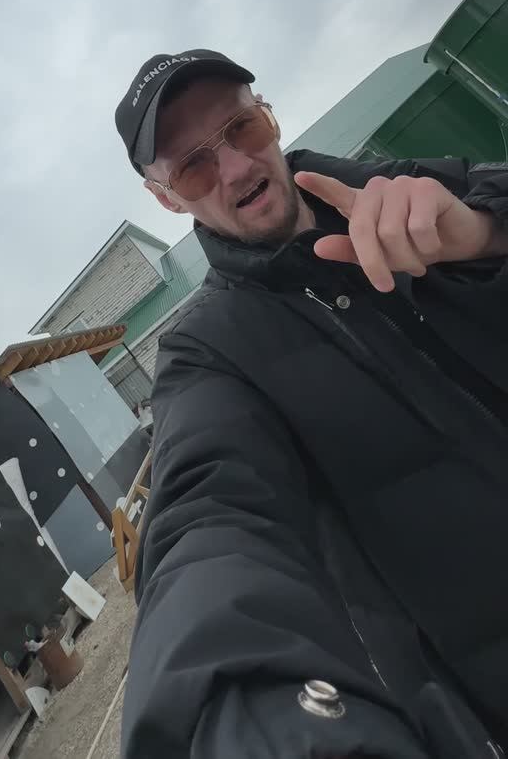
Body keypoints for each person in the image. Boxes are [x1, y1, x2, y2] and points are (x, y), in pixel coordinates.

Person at [114, 49, 508, 759]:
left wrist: (484, 235)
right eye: (195, 166)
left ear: (268, 116)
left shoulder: (400, 189)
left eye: (241, 128)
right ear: (167, 199)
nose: (236, 168)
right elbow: (207, 514)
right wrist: (250, 716)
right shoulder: (210, 351)